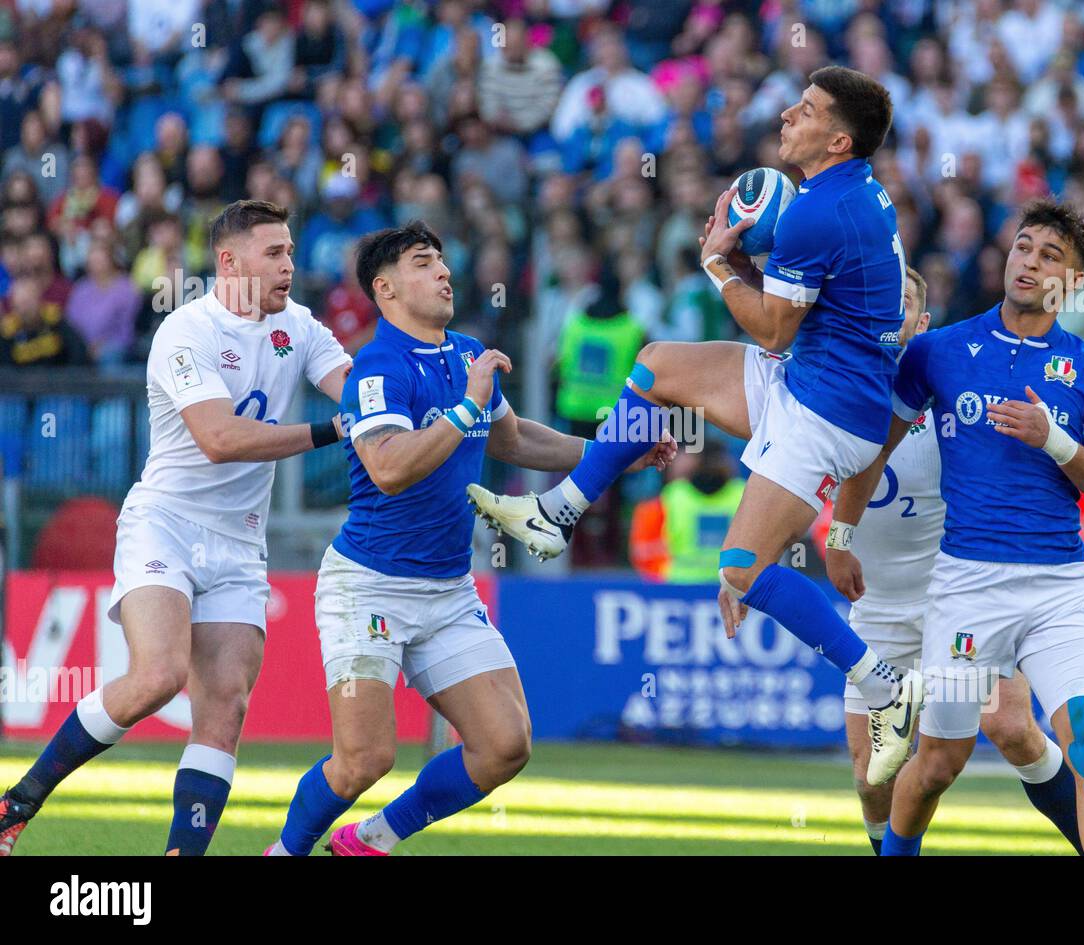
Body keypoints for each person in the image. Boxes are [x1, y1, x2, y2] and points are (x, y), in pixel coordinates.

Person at [468, 65, 924, 785]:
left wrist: (718, 264)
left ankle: (885, 687)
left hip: (824, 409)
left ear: (839, 140)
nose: (787, 115)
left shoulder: (815, 212)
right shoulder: (854, 192)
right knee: (657, 366)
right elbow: (801, 316)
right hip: (818, 381)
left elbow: (772, 329)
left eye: (807, 110)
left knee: (741, 568)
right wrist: (750, 265)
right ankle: (558, 512)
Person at [266, 221, 671, 856]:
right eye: (423, 262)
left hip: (448, 589)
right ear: (386, 288)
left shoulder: (466, 355)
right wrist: (465, 407)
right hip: (370, 585)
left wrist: (613, 452)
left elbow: (516, 439)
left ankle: (370, 840)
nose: (444, 272)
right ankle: (285, 852)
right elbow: (388, 467)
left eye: (443, 260)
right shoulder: (377, 365)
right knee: (364, 760)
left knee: (505, 745)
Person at [0, 200, 352, 856]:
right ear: (229, 261)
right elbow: (219, 439)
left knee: (225, 707)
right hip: (166, 524)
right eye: (274, 253)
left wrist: (413, 393)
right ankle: (18, 800)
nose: (289, 265)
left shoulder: (299, 327)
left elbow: (357, 389)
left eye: (290, 251)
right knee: (159, 674)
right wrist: (333, 430)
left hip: (240, 543)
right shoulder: (185, 332)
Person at [832, 199, 1084, 856]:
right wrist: (839, 535)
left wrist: (1055, 440)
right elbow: (873, 450)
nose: (1029, 262)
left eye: (1050, 255)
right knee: (939, 762)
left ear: (1072, 282)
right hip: (967, 589)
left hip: (1059, 589)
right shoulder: (938, 352)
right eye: (1024, 246)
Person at [629, 440, 745, 583]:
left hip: (679, 586)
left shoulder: (672, 495)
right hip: (730, 586)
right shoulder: (744, 493)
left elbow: (644, 555)